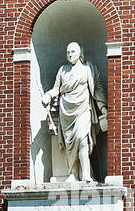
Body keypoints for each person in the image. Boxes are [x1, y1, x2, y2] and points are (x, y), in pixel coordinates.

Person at [43, 41, 108, 182]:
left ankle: (85, 174)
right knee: (69, 144)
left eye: (73, 51)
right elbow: (56, 89)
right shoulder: (63, 70)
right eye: (68, 52)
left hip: (83, 109)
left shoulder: (88, 69)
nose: (70, 54)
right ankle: (72, 173)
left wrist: (103, 108)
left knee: (82, 139)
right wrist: (48, 96)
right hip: (66, 111)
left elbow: (97, 89)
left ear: (79, 53)